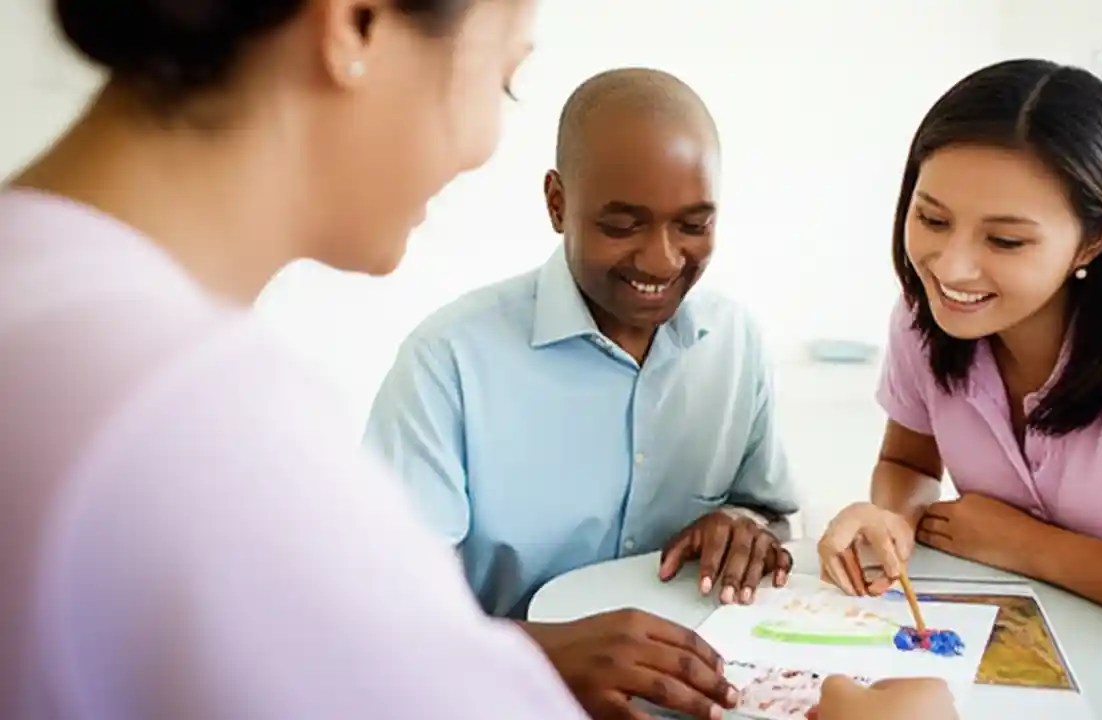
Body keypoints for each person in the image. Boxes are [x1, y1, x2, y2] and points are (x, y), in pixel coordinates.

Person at [0, 0, 953, 719]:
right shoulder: (204, 425)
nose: (479, 142)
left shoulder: (64, 322)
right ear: (358, 24)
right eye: (501, 76)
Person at [363, 67, 800, 716]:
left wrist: (742, 526)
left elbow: (768, 512)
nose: (661, 260)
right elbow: (375, 617)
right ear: (557, 203)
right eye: (623, 225)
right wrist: (535, 653)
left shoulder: (734, 342)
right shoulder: (448, 364)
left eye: (693, 225)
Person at [818, 58, 1102, 669]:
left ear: (1097, 236)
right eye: (931, 219)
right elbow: (907, 461)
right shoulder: (921, 321)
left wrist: (1036, 549)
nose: (950, 268)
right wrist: (892, 519)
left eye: (1005, 240)